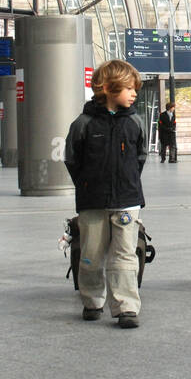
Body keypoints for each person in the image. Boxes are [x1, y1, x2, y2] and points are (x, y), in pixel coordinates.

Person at [64, 59, 147, 329]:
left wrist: (129, 183)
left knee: (125, 254)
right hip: (93, 201)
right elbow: (72, 158)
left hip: (127, 199)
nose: (134, 94)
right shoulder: (84, 123)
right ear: (108, 88)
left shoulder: (134, 121)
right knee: (91, 253)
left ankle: (126, 307)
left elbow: (140, 158)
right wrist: (86, 185)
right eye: (129, 88)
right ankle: (92, 300)